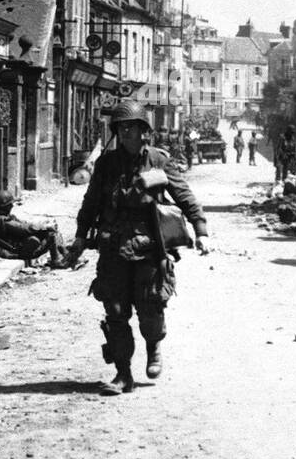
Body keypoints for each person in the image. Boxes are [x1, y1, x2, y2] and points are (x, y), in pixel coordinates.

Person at [69, 100, 209, 395]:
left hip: (149, 247)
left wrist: (200, 230)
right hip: (113, 247)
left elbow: (184, 195)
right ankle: (123, 375)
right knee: (115, 311)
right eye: (122, 128)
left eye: (132, 128)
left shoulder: (159, 161)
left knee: (150, 307)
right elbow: (91, 202)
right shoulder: (107, 164)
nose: (127, 133)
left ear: (145, 132)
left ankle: (154, 345)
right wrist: (80, 237)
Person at [0, 190, 77, 268]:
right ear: (5, 206)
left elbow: (24, 223)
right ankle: (58, 260)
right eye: (10, 204)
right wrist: (43, 227)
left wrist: (42, 224)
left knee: (48, 232)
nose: (12, 206)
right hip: (12, 251)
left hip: (15, 247)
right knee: (48, 235)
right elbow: (23, 229)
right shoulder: (2, 220)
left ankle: (66, 256)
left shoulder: (4, 217)